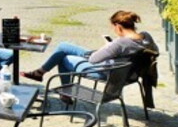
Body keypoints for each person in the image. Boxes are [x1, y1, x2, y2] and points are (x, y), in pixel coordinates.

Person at [23, 10, 159, 86]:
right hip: (128, 73)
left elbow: (94, 60)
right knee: (63, 46)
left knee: (64, 58)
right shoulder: (146, 36)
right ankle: (40, 73)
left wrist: (108, 46)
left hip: (107, 72)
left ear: (118, 26)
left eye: (113, 28)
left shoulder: (120, 43)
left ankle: (63, 90)